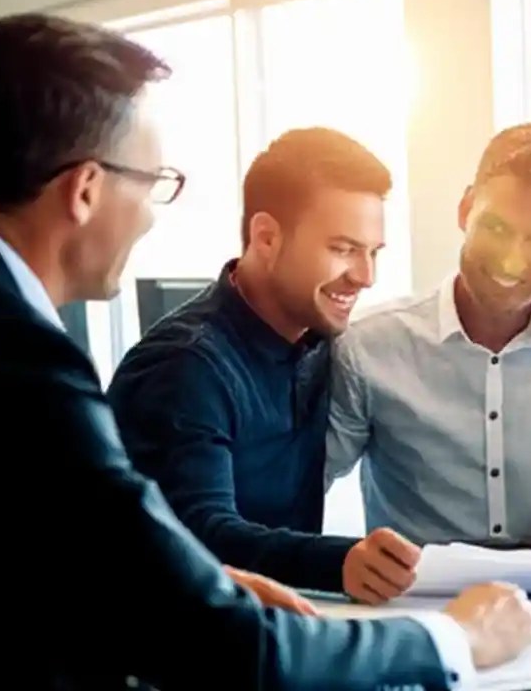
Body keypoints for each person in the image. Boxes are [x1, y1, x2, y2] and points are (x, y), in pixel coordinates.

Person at [0, 12, 531, 689]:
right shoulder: (24, 361)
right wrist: (455, 637)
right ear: (85, 190)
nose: (150, 212)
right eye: (153, 182)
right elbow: (230, 645)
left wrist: (193, 585)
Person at [105, 126, 429, 604]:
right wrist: (340, 562)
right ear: (266, 237)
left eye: (372, 252)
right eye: (342, 249)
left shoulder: (325, 341)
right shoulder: (184, 365)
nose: (365, 277)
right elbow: (199, 534)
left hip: (281, 631)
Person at [326, 123, 531, 579]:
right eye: (496, 228)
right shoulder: (369, 345)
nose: (511, 259)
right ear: (465, 209)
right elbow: (300, 481)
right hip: (418, 600)